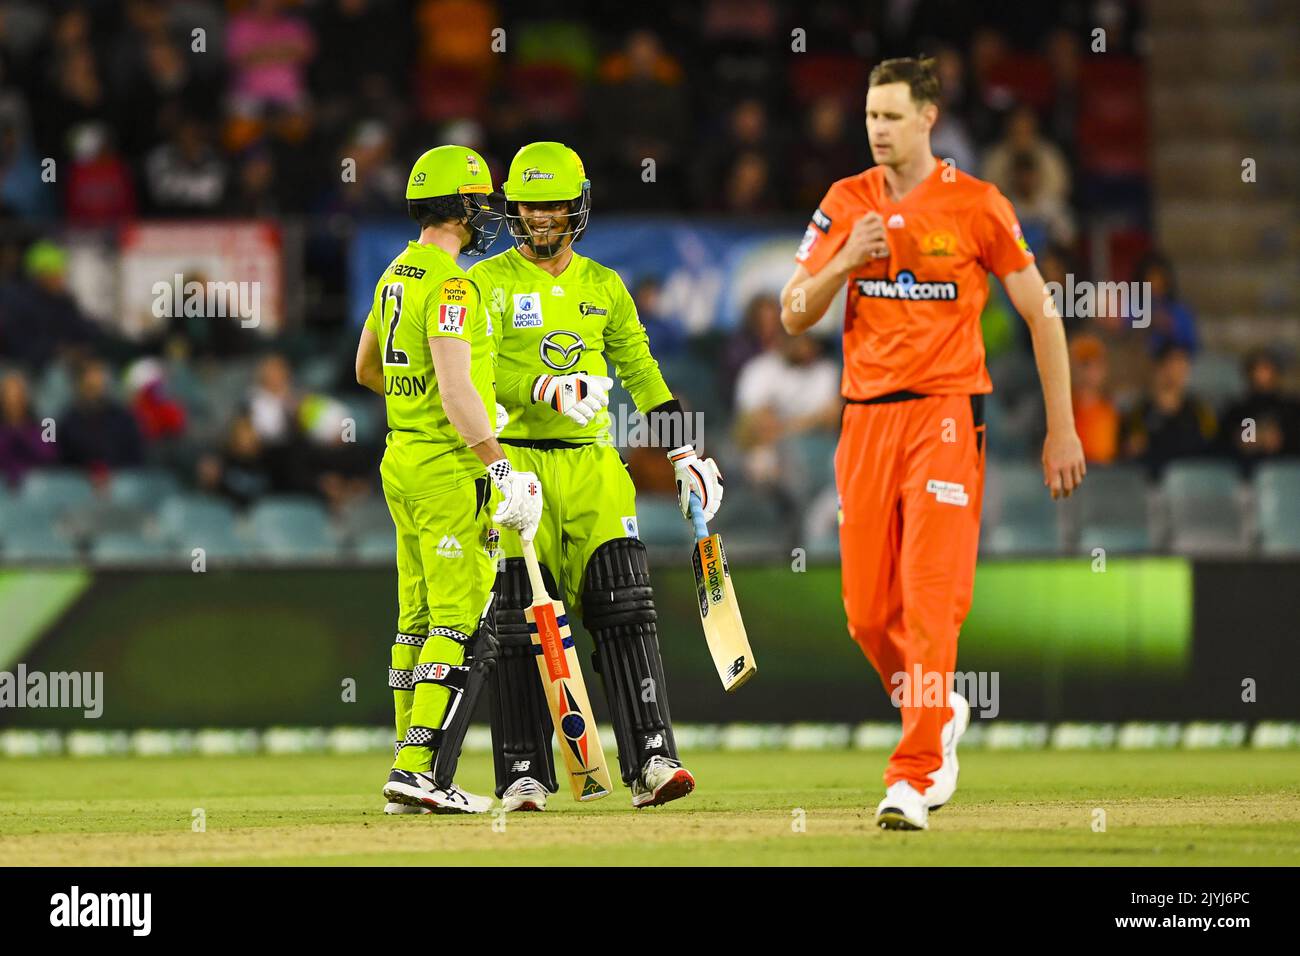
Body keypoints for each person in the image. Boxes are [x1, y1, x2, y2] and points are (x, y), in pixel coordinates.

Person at [779, 57, 1085, 830]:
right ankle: (940, 707)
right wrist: (846, 261)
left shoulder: (979, 205)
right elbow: (791, 312)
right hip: (865, 420)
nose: (877, 129)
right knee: (864, 612)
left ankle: (913, 775)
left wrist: (1062, 426)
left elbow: (1042, 315)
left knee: (929, 604)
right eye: (870, 116)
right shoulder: (845, 202)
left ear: (928, 118)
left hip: (947, 415)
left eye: (891, 115)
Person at [467, 142, 723, 811]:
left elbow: (641, 374)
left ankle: (653, 760)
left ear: (576, 205)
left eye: (554, 205)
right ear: (512, 208)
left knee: (626, 608)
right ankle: (524, 770)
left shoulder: (604, 286)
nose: (543, 218)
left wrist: (684, 453)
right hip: (512, 461)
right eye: (530, 205)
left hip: (593, 464)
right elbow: (472, 374)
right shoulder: (484, 284)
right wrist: (542, 388)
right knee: (519, 624)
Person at [353, 144, 542, 815]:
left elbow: (365, 368)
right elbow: (459, 387)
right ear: (463, 208)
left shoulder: (395, 273)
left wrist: (414, 406)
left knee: (415, 619)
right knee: (457, 620)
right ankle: (418, 768)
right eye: (481, 201)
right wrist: (496, 460)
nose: (487, 212)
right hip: (445, 467)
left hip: (400, 460)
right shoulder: (454, 284)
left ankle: (406, 766)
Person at [1120, 343, 1217, 478]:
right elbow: (1131, 450)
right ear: (1160, 367)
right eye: (1175, 363)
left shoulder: (1200, 410)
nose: (1181, 369)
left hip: (1193, 483)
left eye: (1184, 364)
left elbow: (1213, 446)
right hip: (1154, 485)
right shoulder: (1141, 412)